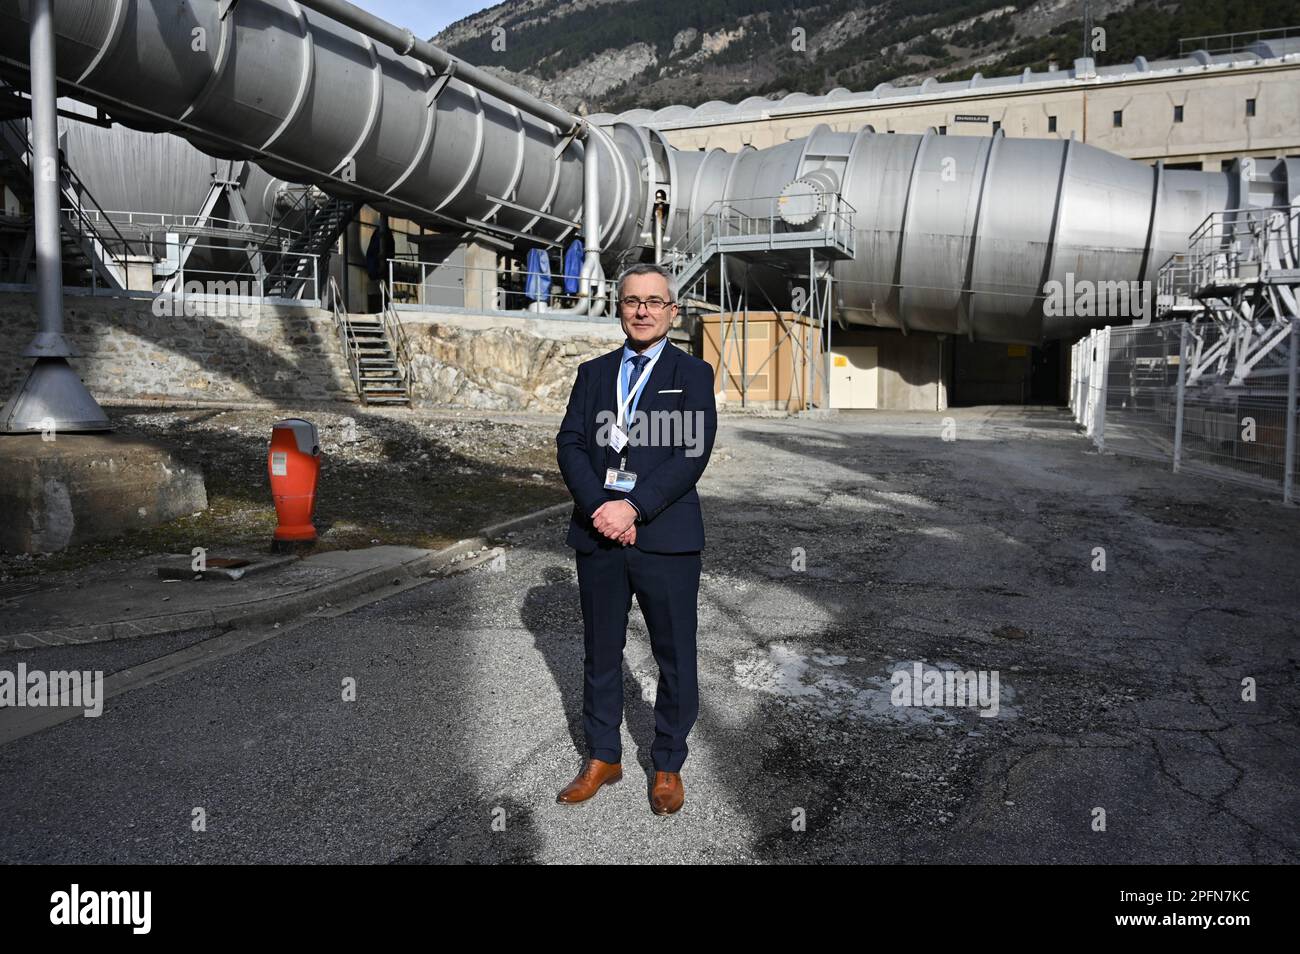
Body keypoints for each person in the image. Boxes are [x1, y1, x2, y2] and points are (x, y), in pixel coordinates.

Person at [554, 262, 717, 815]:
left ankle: (667, 762)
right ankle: (603, 756)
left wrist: (633, 506)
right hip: (598, 533)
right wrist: (600, 507)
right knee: (601, 652)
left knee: (675, 655)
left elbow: (691, 452)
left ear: (672, 311)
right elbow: (571, 443)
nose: (642, 310)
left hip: (665, 538)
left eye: (654, 301)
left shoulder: (693, 373)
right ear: (618, 308)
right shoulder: (593, 373)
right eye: (632, 301)